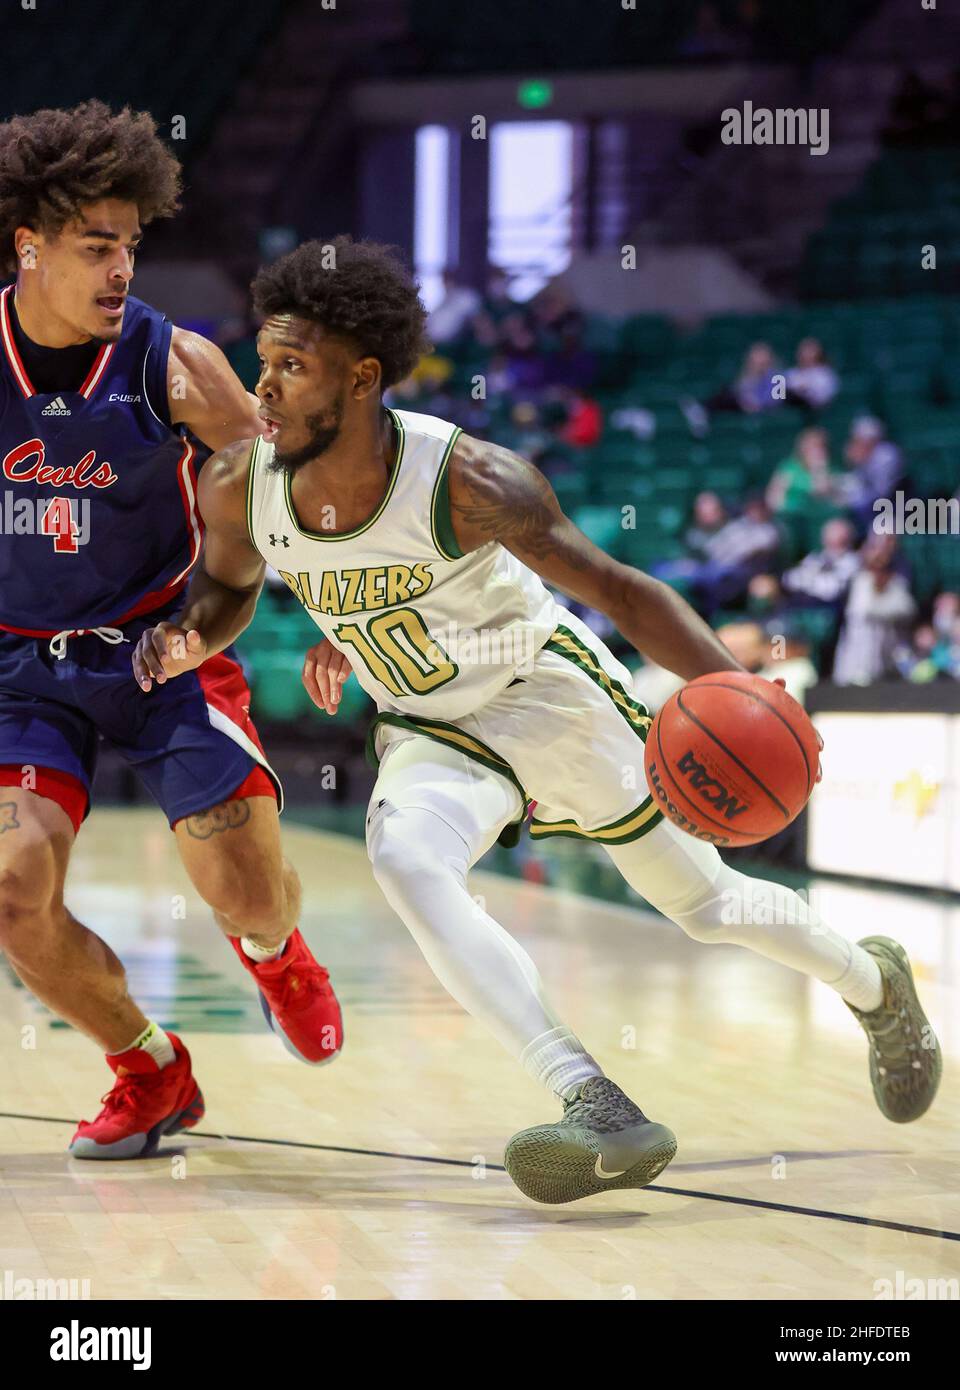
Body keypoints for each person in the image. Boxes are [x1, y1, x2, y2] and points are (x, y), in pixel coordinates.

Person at [136, 238, 941, 1206]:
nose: (262, 386)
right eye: (262, 359)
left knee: (704, 903)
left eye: (291, 365)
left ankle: (873, 983)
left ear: (361, 378)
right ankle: (592, 1097)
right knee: (406, 861)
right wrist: (190, 632)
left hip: (543, 692)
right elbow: (228, 587)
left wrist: (743, 688)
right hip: (430, 727)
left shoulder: (469, 477)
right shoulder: (237, 482)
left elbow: (622, 589)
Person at [0, 102, 343, 1160]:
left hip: (165, 649)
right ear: (29, 247)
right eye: (95, 246)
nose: (119, 269)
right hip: (21, 666)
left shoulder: (179, 365)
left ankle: (276, 947)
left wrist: (343, 617)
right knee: (12, 895)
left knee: (245, 890)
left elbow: (283, 500)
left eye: (131, 246)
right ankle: (149, 1069)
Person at [833, 536, 917, 686]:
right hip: (860, 646)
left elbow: (906, 609)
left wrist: (884, 599)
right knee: (867, 632)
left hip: (891, 645)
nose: (878, 566)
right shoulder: (860, 581)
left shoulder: (897, 582)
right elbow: (862, 611)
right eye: (875, 561)